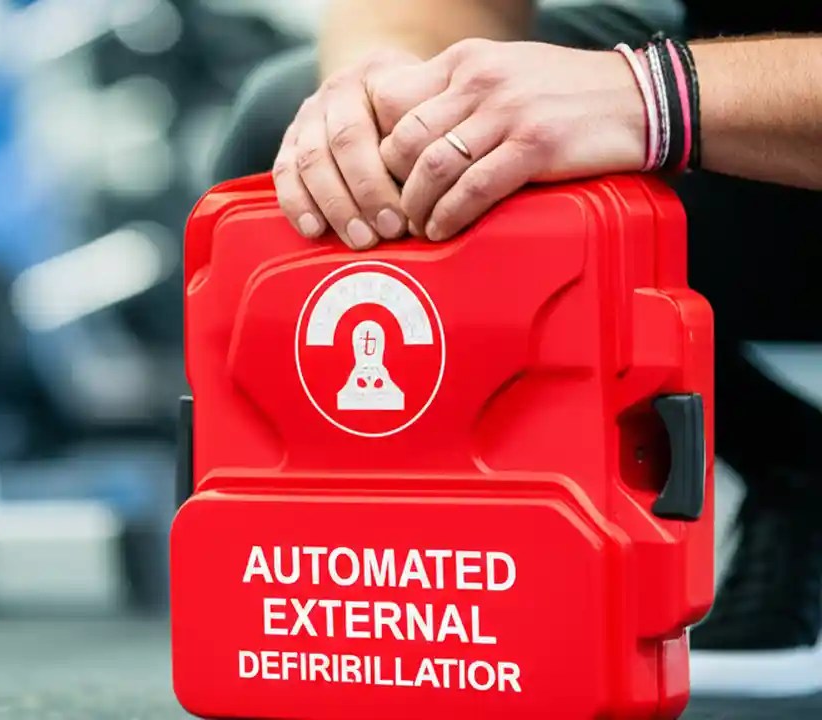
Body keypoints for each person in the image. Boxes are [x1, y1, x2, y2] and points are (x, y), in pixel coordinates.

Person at [209, 0, 822, 699]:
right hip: (747, 151)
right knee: (303, 124)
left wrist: (654, 96)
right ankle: (794, 463)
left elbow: (660, 96)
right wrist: (384, 98)